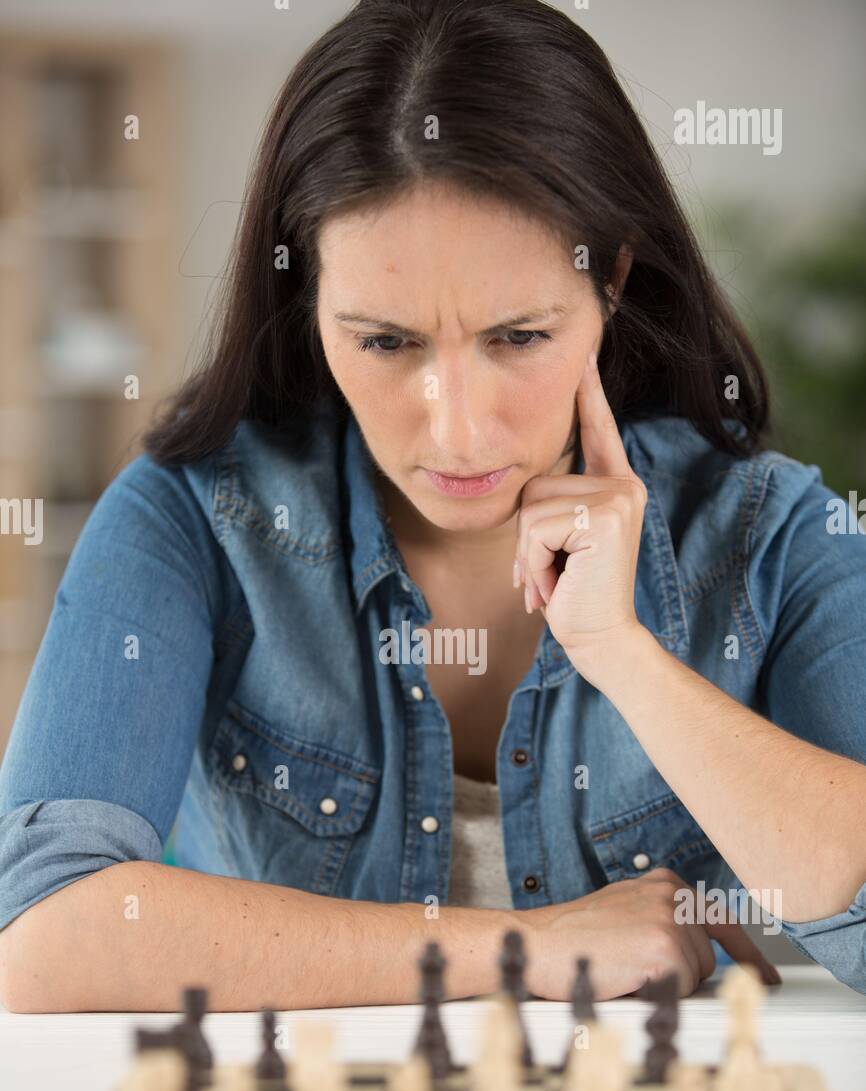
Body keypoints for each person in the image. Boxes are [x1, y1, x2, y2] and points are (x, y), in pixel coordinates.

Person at [1, 0, 865, 1013]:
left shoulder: (766, 533)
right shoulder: (191, 519)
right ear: (304, 302)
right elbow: (44, 932)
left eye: (519, 336)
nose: (456, 428)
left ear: (612, 283)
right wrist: (527, 948)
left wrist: (622, 654)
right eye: (384, 341)